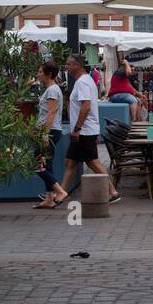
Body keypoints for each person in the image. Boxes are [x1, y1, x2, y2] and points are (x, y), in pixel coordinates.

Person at [61, 53, 119, 203]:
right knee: (70, 161)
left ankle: (112, 191)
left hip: (84, 131)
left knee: (92, 162)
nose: (66, 67)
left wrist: (77, 129)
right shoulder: (85, 81)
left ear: (77, 65)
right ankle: (61, 193)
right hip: (86, 130)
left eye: (68, 64)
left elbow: (86, 106)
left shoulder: (83, 83)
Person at [33, 61, 69, 209]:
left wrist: (45, 134)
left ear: (49, 74)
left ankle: (60, 192)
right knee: (47, 164)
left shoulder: (52, 90)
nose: (38, 74)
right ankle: (49, 198)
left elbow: (51, 112)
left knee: (36, 164)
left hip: (50, 131)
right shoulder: (51, 90)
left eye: (41, 72)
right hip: (49, 131)